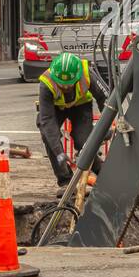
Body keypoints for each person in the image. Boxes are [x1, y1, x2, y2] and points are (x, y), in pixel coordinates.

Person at [37, 52, 109, 191]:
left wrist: (105, 128)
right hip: (56, 109)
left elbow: (105, 99)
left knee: (84, 142)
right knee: (49, 136)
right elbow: (47, 119)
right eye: (61, 84)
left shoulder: (86, 73)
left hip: (81, 106)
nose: (65, 88)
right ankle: (65, 181)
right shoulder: (46, 82)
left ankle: (103, 174)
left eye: (69, 85)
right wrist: (59, 153)